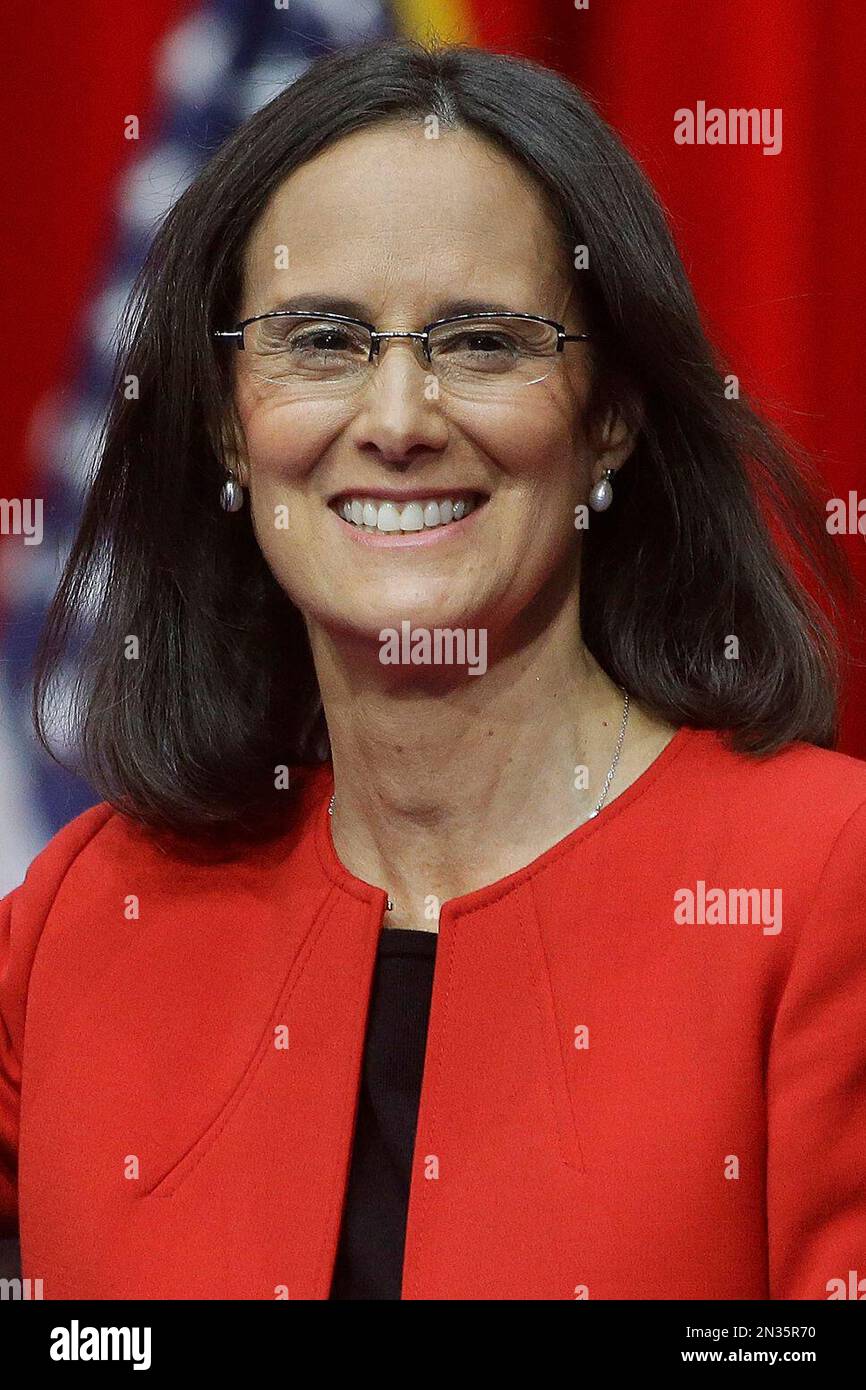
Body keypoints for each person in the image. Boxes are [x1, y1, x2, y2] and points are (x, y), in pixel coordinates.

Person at [1, 38, 864, 1301]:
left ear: (608, 412)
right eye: (322, 339)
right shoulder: (81, 920)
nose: (398, 419)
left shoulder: (823, 885)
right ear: (223, 419)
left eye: (481, 341)